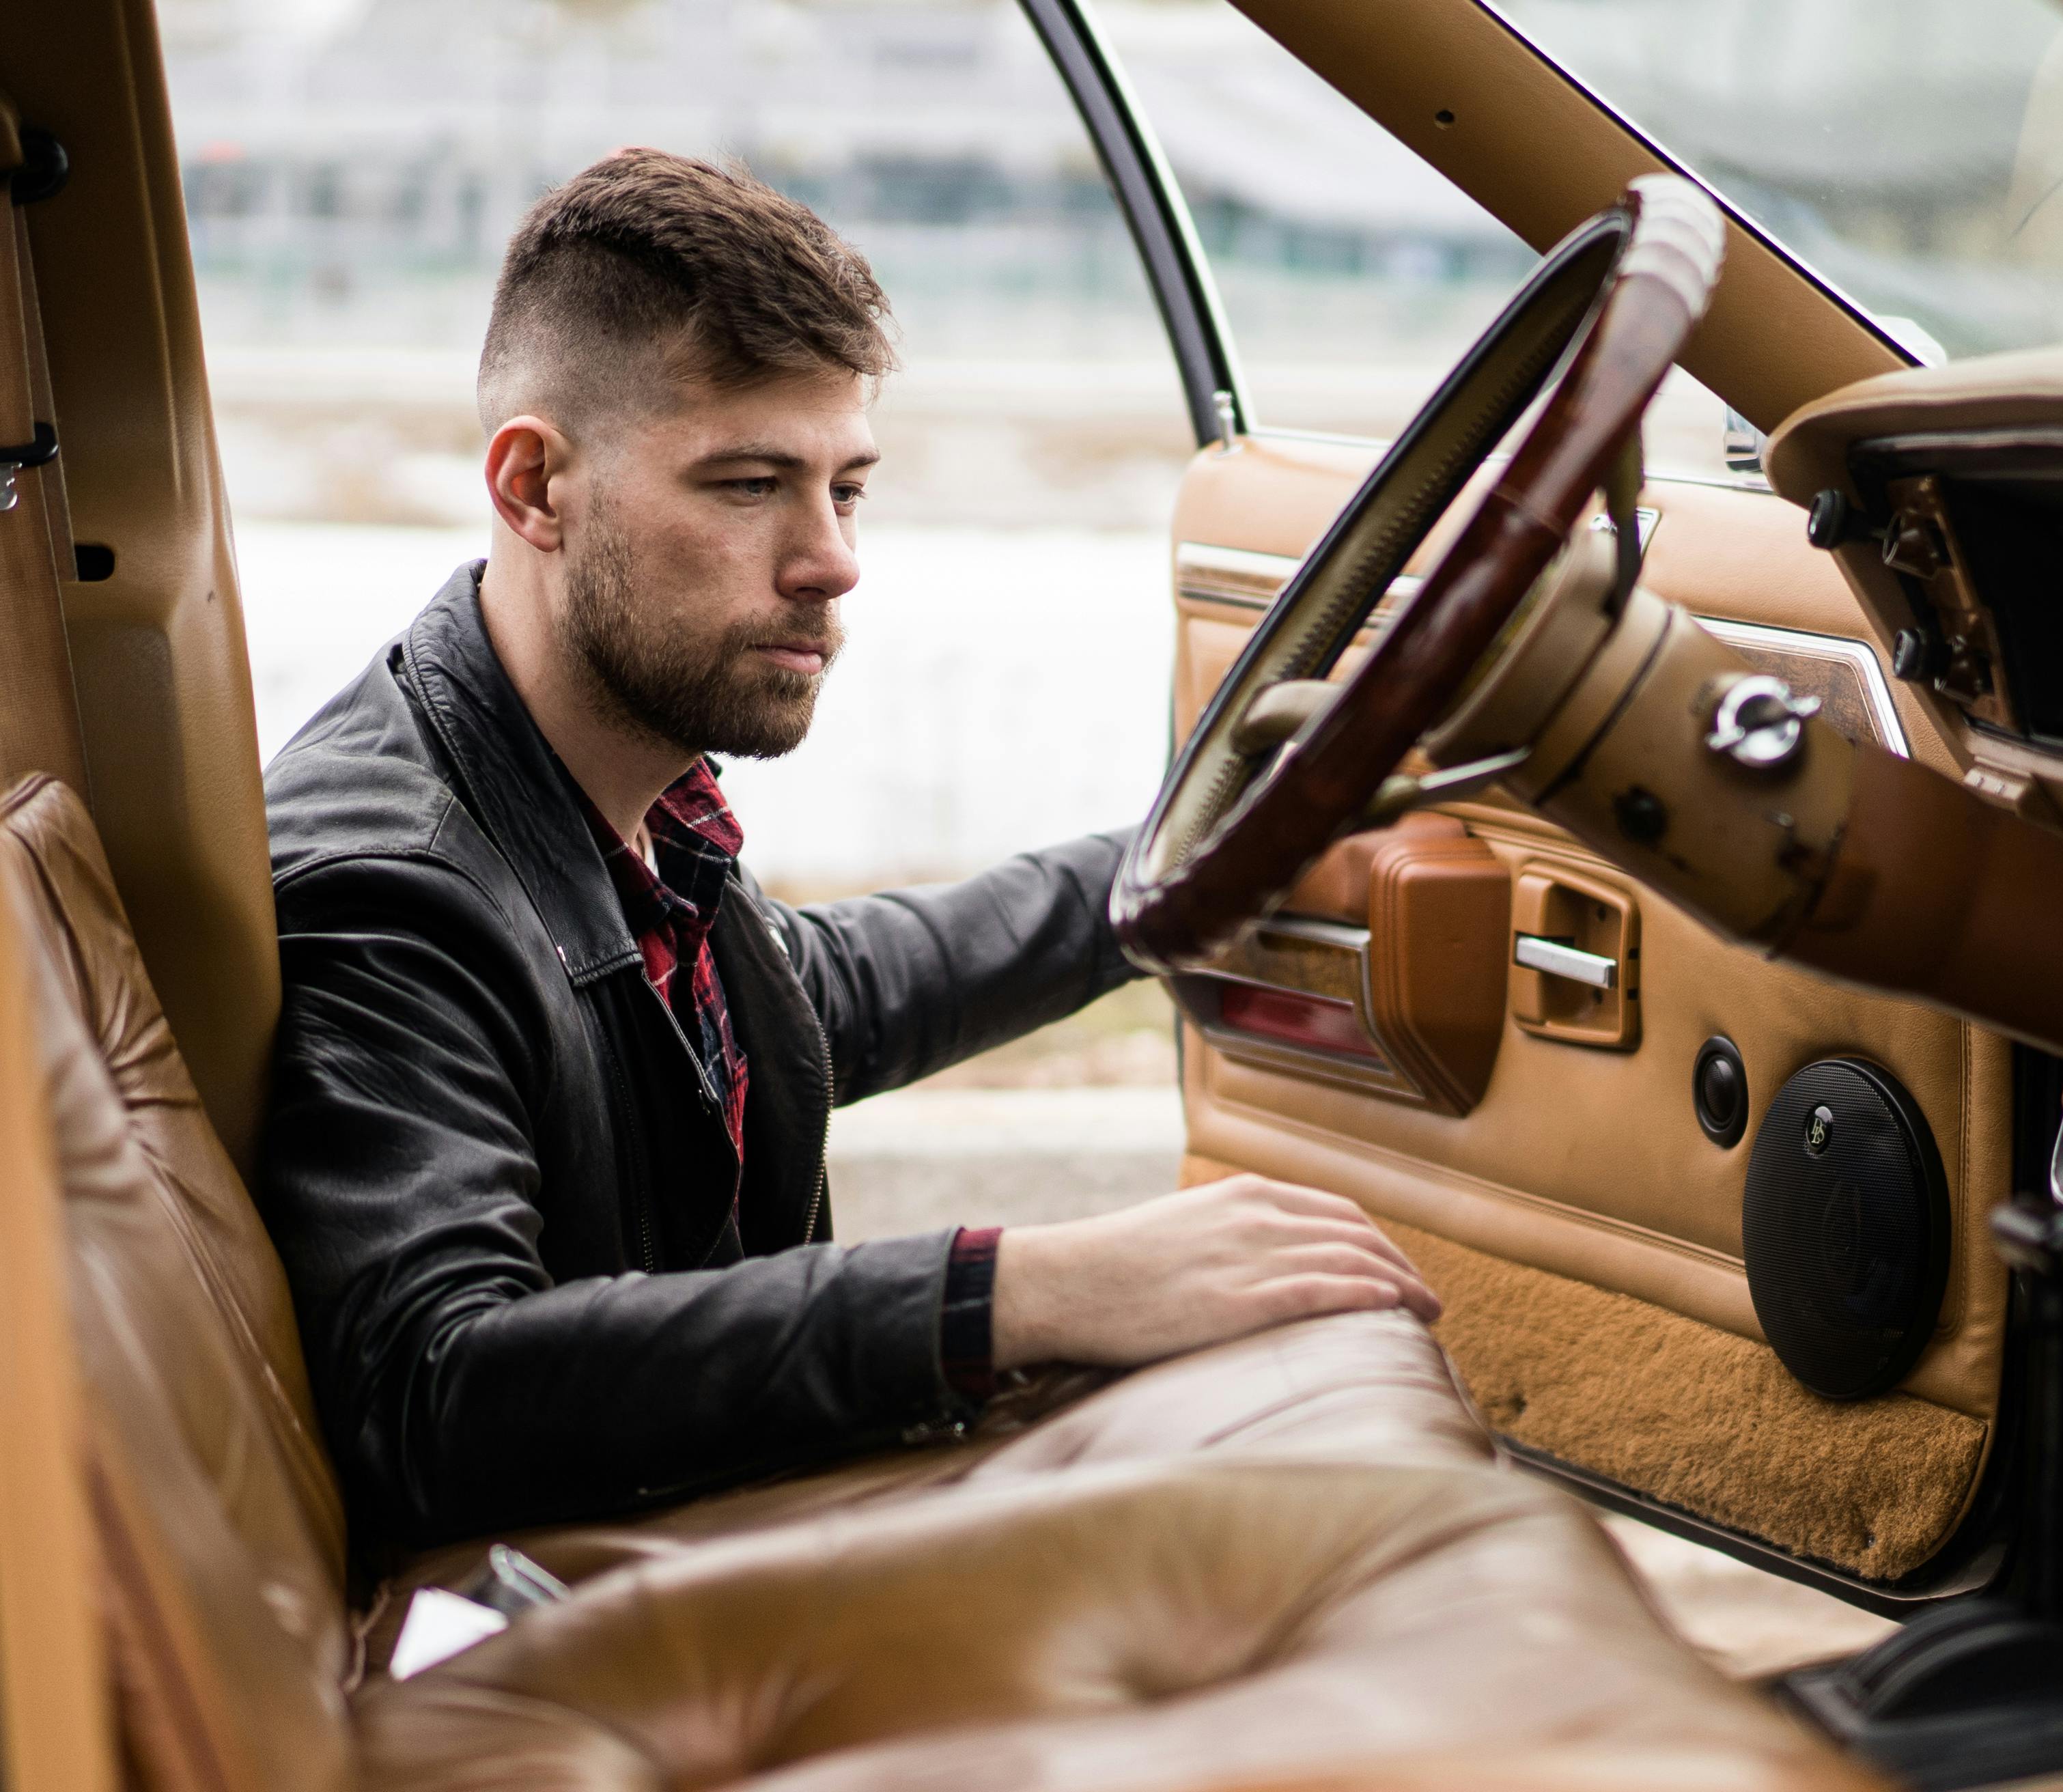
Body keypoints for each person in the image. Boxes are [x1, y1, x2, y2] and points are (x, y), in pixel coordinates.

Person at [259, 149, 1437, 1551]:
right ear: (535, 490)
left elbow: (794, 1000)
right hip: (583, 1609)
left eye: (849, 488)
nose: (831, 561)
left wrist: (1161, 879)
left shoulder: (607, 790)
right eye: (751, 484)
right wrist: (1006, 1290)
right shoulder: (390, 886)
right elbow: (436, 1388)